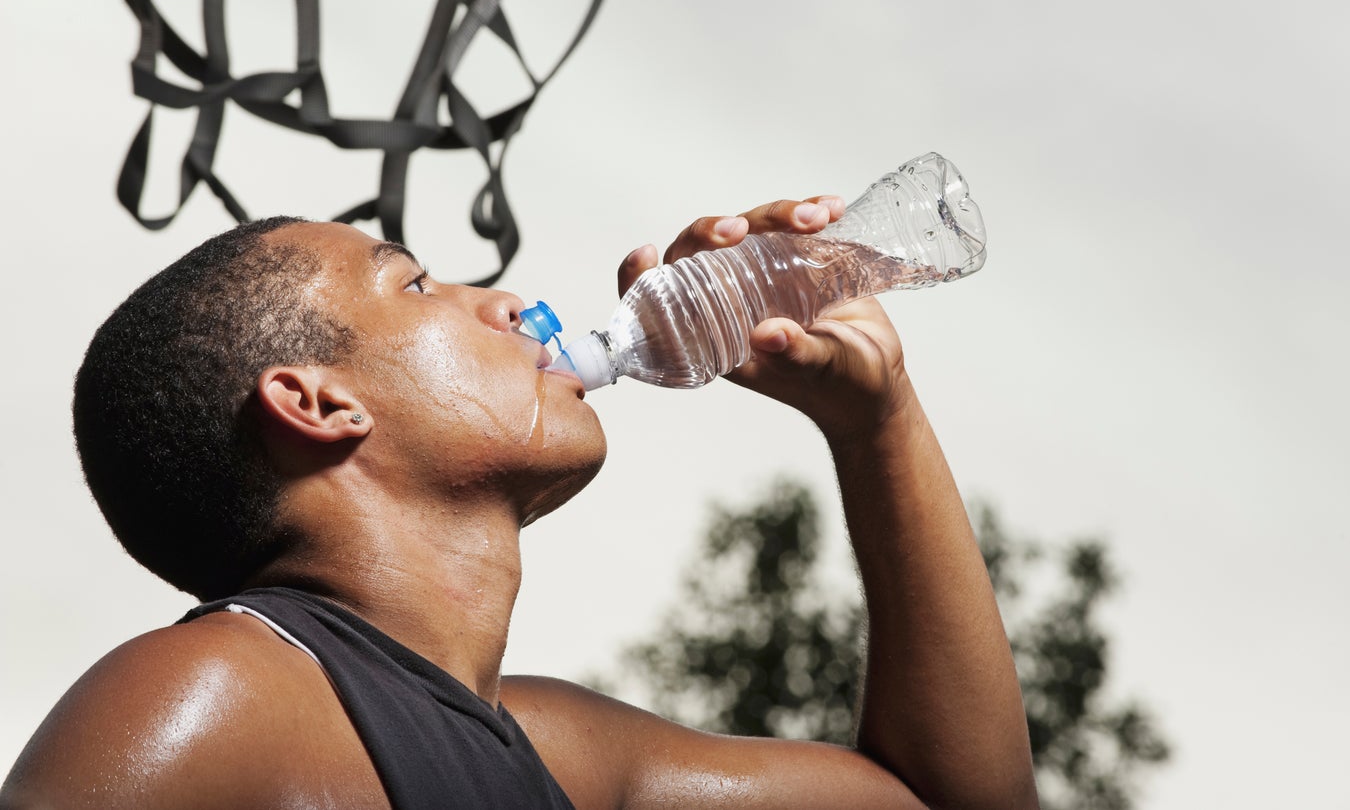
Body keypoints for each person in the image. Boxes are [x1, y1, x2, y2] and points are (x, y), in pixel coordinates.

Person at [0, 196, 1038, 809]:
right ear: (318, 404)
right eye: (414, 285)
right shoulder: (212, 693)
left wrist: (877, 419)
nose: (505, 300)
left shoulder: (556, 750)